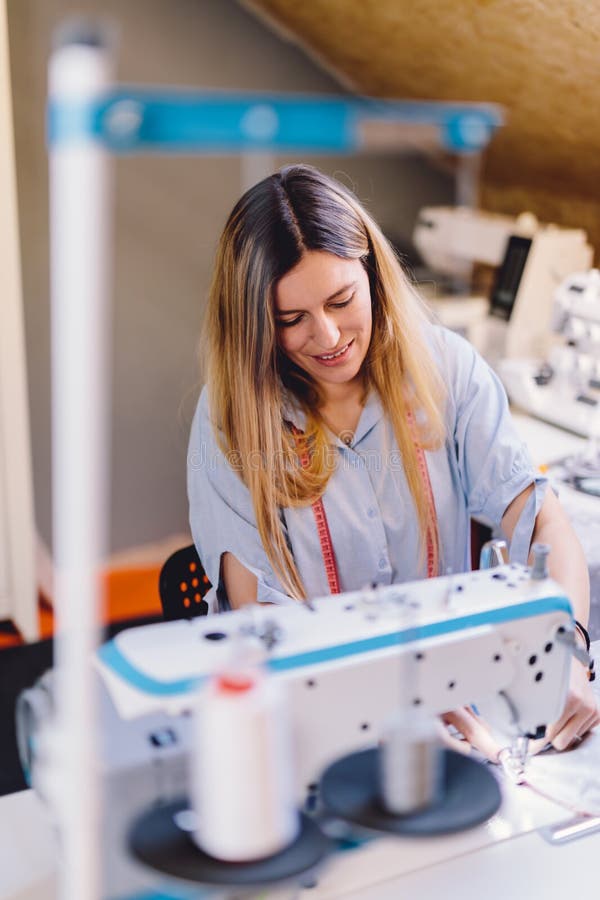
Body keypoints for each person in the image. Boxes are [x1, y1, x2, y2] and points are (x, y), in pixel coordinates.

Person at [188, 164, 598, 758]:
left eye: (341, 300)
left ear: (373, 276)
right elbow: (260, 624)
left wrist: (569, 654)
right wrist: (383, 705)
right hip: (320, 716)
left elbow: (539, 521)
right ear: (255, 326)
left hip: (465, 705)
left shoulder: (447, 370)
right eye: (291, 320)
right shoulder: (232, 420)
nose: (327, 336)